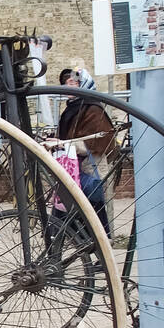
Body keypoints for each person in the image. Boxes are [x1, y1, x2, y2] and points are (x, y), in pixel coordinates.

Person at [57, 68, 115, 235]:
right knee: (64, 211)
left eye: (73, 83)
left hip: (88, 170)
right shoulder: (71, 110)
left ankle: (100, 253)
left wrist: (62, 144)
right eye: (66, 84)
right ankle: (57, 250)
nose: (68, 87)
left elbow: (94, 143)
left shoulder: (93, 110)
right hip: (71, 170)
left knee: (93, 217)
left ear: (84, 84)